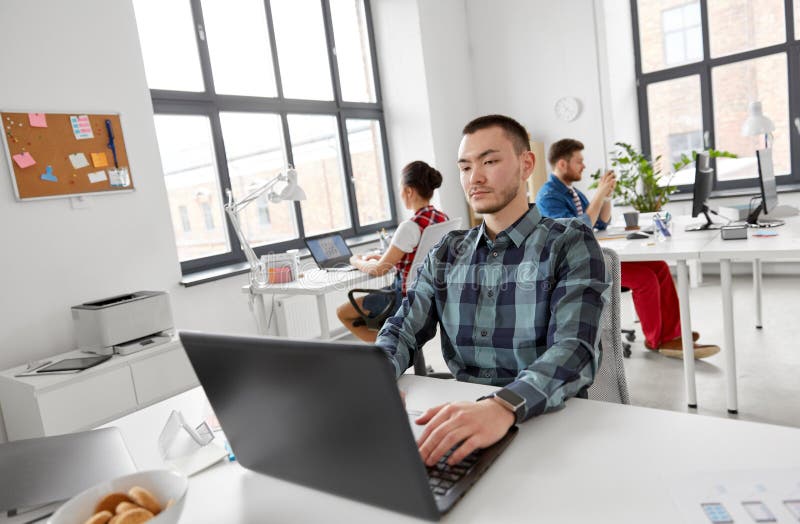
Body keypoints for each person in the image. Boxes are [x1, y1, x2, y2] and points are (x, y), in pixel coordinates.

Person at [376, 115, 608, 467]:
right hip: (466, 421)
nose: (475, 178)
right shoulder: (447, 251)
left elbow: (574, 349)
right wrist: (379, 375)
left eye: (490, 161)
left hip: (546, 421)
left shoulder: (568, 241)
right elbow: (402, 327)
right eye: (466, 167)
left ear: (526, 164)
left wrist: (503, 405)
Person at [535, 138, 720, 359]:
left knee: (659, 267)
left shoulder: (572, 192)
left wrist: (607, 196)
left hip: (592, 254)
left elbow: (600, 222)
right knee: (644, 279)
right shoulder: (548, 196)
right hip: (577, 264)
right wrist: (598, 194)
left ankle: (672, 334)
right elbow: (579, 228)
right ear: (563, 164)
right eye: (579, 161)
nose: (583, 166)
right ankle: (657, 340)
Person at [336, 161, 449, 342]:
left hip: (403, 298)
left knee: (343, 312)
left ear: (409, 191)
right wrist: (383, 257)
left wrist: (355, 260)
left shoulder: (410, 226)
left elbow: (378, 270)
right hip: (431, 297)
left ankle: (388, 348)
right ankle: (396, 344)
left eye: (400, 189)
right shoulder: (442, 219)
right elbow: (418, 258)